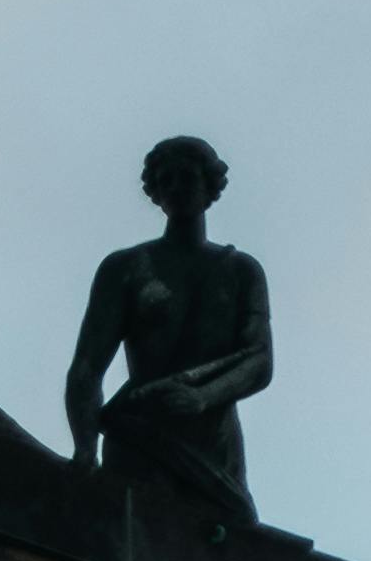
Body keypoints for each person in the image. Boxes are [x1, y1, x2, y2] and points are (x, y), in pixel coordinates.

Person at [66, 141, 275, 525]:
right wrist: (84, 448)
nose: (177, 188)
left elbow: (259, 361)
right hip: (139, 429)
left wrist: (201, 397)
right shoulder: (125, 268)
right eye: (166, 181)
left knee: (229, 544)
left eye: (187, 178)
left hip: (211, 440)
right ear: (155, 193)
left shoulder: (242, 271)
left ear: (210, 186)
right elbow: (86, 367)